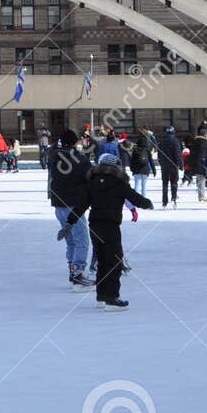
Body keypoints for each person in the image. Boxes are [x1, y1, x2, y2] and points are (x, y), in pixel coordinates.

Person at [61, 140, 153, 310]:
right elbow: (134, 197)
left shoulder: (91, 183)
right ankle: (112, 298)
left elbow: (81, 206)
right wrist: (147, 203)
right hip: (110, 226)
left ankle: (101, 297)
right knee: (114, 261)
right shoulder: (118, 183)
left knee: (103, 261)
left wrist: (69, 223)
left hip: (95, 226)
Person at [48, 129, 92, 288]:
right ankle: (78, 272)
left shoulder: (53, 157)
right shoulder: (80, 159)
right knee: (82, 240)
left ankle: (72, 269)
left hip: (58, 204)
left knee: (71, 240)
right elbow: (91, 179)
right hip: (74, 205)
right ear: (75, 142)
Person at [156, 125, 183, 207]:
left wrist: (161, 163)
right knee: (174, 182)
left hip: (164, 166)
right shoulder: (175, 141)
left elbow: (159, 154)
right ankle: (173, 198)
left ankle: (164, 201)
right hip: (173, 165)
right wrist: (180, 164)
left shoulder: (162, 141)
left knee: (165, 183)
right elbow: (178, 154)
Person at [128, 130, 154, 197]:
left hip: (136, 170)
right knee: (144, 186)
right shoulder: (147, 150)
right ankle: (143, 199)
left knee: (137, 185)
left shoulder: (135, 150)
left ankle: (136, 199)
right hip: (145, 170)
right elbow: (151, 161)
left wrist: (132, 169)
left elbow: (132, 160)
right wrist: (154, 170)